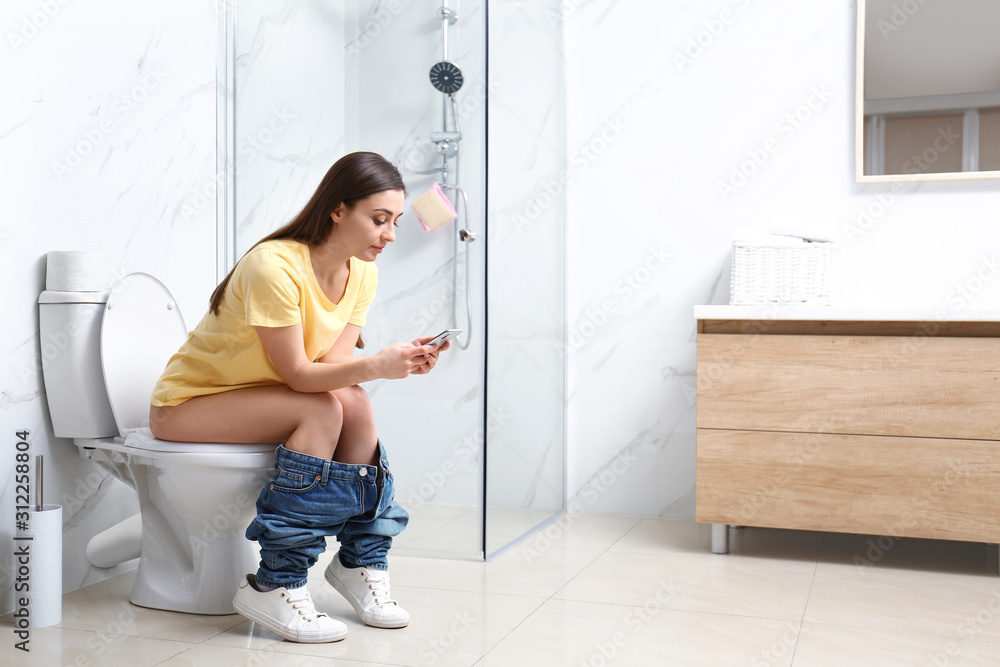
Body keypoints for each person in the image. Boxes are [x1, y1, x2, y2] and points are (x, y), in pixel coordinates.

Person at [148, 151, 448, 643]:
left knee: (354, 401)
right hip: (188, 404)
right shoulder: (275, 266)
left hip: (266, 396)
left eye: (393, 221)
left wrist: (398, 362)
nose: (390, 235)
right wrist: (377, 365)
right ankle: (276, 582)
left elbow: (331, 367)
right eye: (378, 220)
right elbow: (299, 375)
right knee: (322, 405)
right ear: (337, 209)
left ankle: (359, 559)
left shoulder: (362, 272)